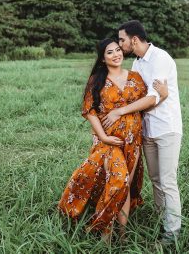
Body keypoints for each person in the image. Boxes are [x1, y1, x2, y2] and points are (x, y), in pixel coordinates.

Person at [58, 38, 167, 241]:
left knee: (124, 186)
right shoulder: (97, 80)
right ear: (102, 58)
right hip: (108, 142)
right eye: (110, 52)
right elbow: (90, 111)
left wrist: (164, 96)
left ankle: (123, 234)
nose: (116, 54)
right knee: (117, 181)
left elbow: (144, 105)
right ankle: (105, 232)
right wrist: (103, 137)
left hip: (133, 141)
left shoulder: (135, 78)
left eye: (118, 50)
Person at [103, 20, 183, 244]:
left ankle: (172, 232)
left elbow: (151, 97)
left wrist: (120, 112)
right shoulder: (137, 65)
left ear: (134, 40)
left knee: (168, 181)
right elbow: (140, 98)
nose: (120, 44)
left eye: (122, 40)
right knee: (155, 178)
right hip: (146, 129)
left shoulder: (160, 59)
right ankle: (161, 219)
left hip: (167, 128)